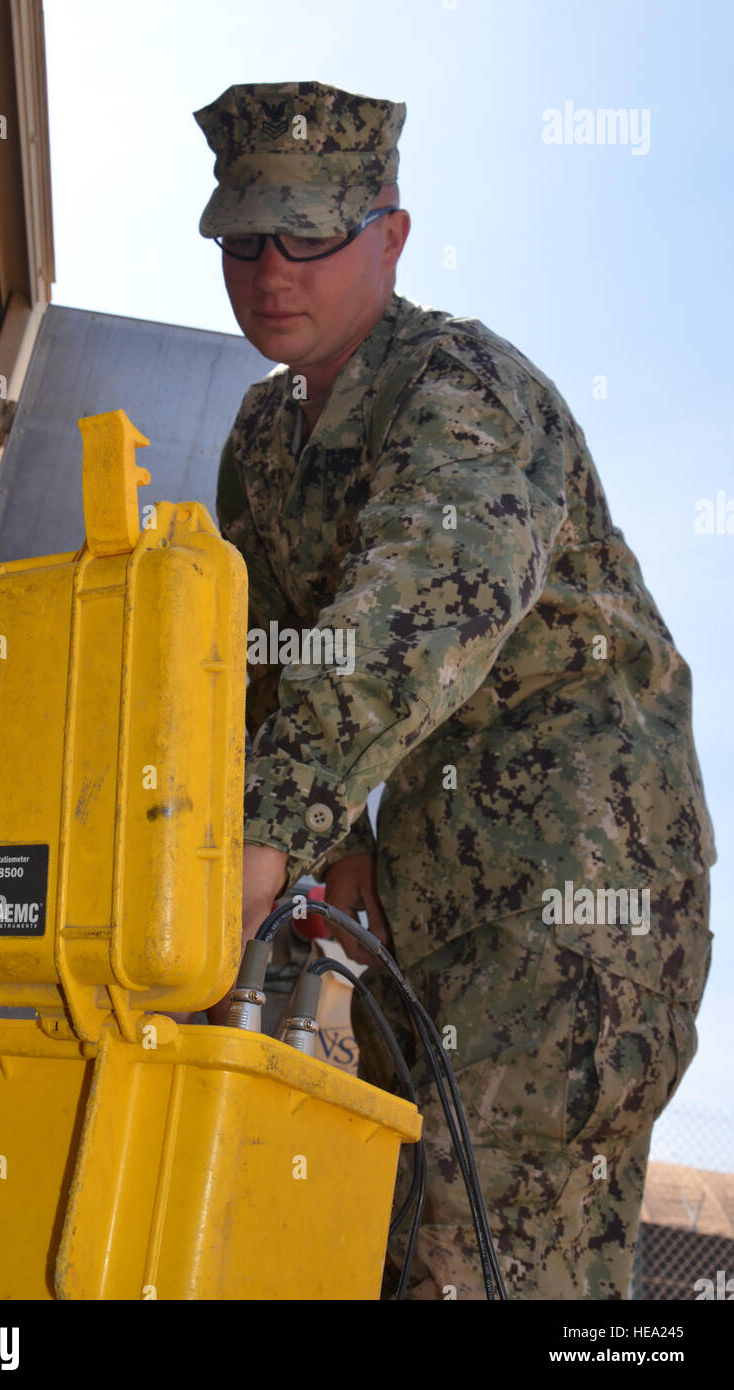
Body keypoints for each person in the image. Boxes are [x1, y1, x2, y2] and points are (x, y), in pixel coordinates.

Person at [193, 80, 716, 1299]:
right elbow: (271, 661)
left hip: (577, 892)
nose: (272, 270)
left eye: (310, 233)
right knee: (375, 1243)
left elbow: (429, 597)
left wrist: (269, 833)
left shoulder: (457, 381)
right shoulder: (262, 447)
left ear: (389, 231)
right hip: (417, 915)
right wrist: (344, 845)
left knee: (483, 1253)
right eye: (242, 238)